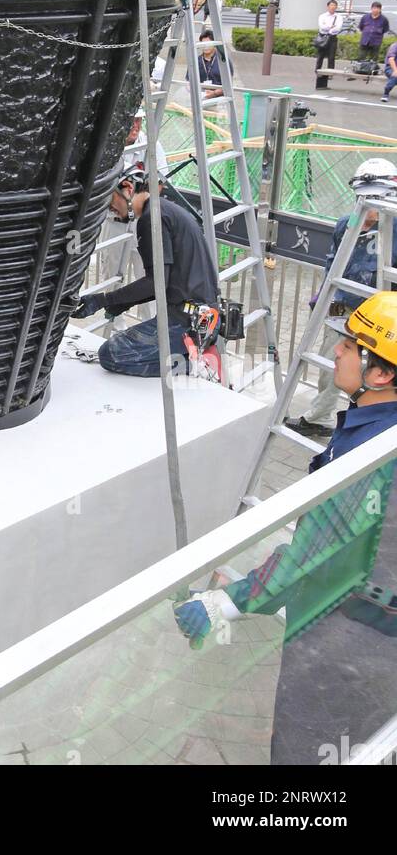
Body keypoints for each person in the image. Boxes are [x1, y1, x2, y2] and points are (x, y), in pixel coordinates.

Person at [174, 292, 397, 766]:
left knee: (309, 746)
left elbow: (314, 555)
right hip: (367, 627)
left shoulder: (372, 455)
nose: (336, 350)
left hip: (349, 644)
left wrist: (226, 603)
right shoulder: (377, 426)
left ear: (381, 374)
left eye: (350, 344)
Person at [285, 158, 397, 440]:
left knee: (375, 378)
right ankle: (320, 417)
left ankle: (368, 426)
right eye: (363, 198)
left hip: (382, 324)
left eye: (374, 198)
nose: (368, 206)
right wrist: (322, 300)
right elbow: (332, 266)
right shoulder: (346, 224)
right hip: (344, 312)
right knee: (332, 368)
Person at [75, 163, 220, 378]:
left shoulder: (151, 219)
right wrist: (120, 303)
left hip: (186, 323)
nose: (109, 208)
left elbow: (155, 283)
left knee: (110, 353)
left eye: (109, 199)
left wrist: (102, 300)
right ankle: (190, 357)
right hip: (202, 319)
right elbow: (162, 282)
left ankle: (192, 365)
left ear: (127, 188)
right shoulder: (164, 210)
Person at [314, 0, 344, 90]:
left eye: (334, 5)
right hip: (323, 37)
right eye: (331, 5)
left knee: (331, 57)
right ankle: (317, 71)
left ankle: (330, 73)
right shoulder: (322, 16)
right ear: (328, 6)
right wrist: (330, 27)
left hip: (332, 38)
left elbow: (338, 28)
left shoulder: (339, 17)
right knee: (320, 56)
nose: (333, 7)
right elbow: (321, 27)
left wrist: (329, 28)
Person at [197, 28, 226, 99]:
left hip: (219, 100)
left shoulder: (223, 61)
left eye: (208, 44)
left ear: (214, 44)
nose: (205, 46)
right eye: (203, 44)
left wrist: (214, 93)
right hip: (199, 99)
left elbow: (228, 86)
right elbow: (188, 82)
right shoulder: (196, 61)